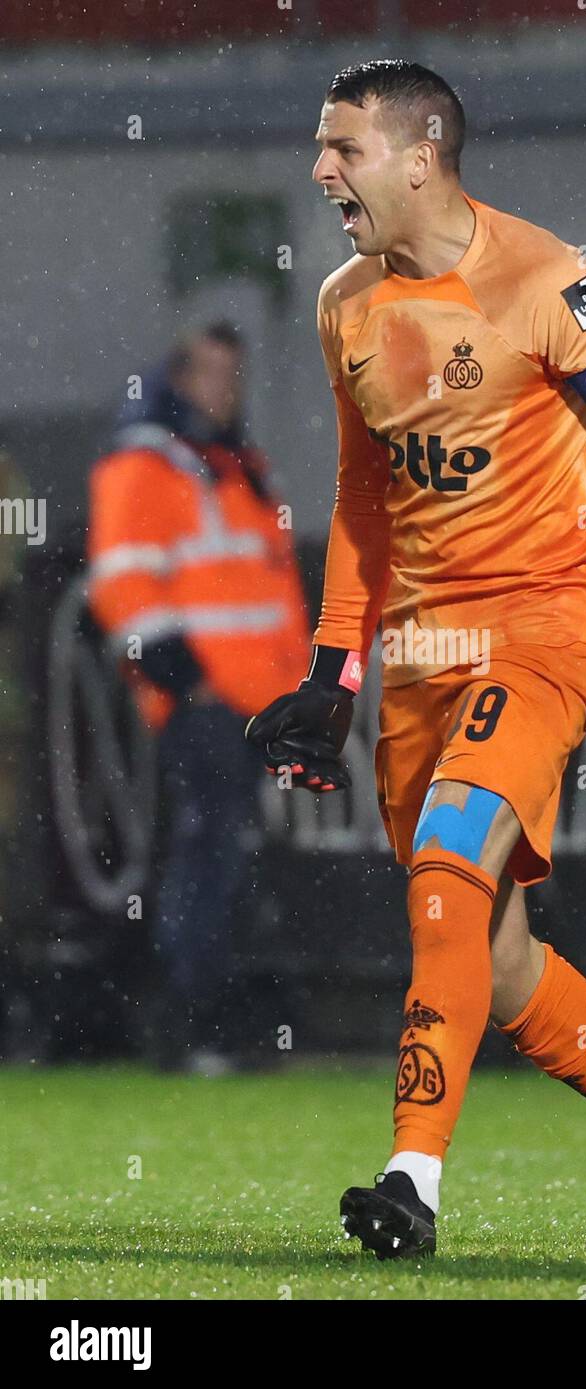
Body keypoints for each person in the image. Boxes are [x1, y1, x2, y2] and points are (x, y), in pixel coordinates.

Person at [245, 60, 586, 1255]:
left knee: (447, 856)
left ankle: (411, 1179)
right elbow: (362, 496)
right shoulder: (344, 304)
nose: (323, 170)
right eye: (323, 149)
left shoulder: (550, 284)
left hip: (550, 618)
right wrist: (332, 677)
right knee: (493, 950)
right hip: (423, 645)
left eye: (345, 149)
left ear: (419, 157)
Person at [88, 322, 311, 1071]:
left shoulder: (230, 464)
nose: (227, 389)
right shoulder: (148, 466)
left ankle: (216, 1023)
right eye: (213, 374)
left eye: (233, 374)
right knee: (208, 858)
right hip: (210, 707)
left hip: (257, 706)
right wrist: (191, 685)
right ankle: (189, 1022)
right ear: (178, 378)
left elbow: (265, 590)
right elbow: (124, 584)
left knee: (228, 861)